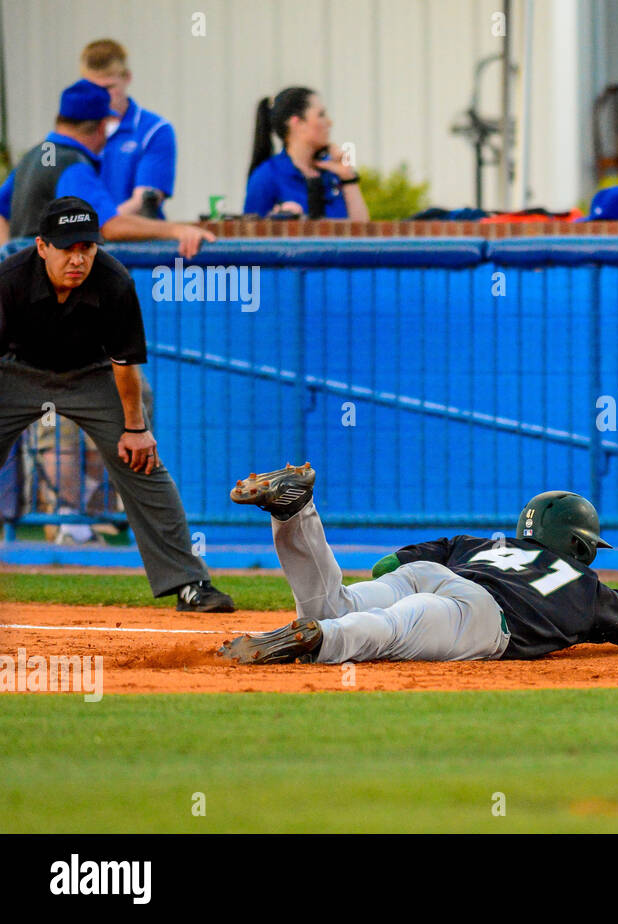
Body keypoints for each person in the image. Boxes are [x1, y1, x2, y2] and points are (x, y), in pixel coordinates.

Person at [218, 464, 618, 664]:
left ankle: (295, 512)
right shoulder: (585, 588)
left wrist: (420, 580)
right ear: (580, 545)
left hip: (440, 575)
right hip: (480, 617)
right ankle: (322, 640)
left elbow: (386, 566)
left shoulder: (481, 543)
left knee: (340, 602)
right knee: (389, 631)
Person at [0, 198, 234, 612]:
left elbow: (124, 364)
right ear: (41, 247)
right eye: (67, 247)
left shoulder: (114, 280)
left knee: (142, 463)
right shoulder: (10, 280)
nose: (78, 258)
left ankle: (190, 584)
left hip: (92, 376)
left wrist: (136, 429)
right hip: (18, 373)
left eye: (86, 247)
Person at [0, 79, 213, 257]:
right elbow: (108, 226)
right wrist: (176, 230)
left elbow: (2, 212)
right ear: (103, 126)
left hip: (27, 288)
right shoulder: (72, 165)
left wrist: (11, 260)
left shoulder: (34, 156)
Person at [79, 39, 177, 219]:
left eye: (109, 87)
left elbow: (144, 202)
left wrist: (95, 226)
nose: (101, 96)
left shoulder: (154, 131)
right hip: (86, 241)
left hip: (136, 243)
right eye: (93, 88)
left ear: (127, 78)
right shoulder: (76, 131)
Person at [243, 88, 369, 220]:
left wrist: (348, 178)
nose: (329, 122)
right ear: (297, 123)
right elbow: (249, 232)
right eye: (321, 115)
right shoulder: (267, 175)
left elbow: (361, 230)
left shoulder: (331, 171)